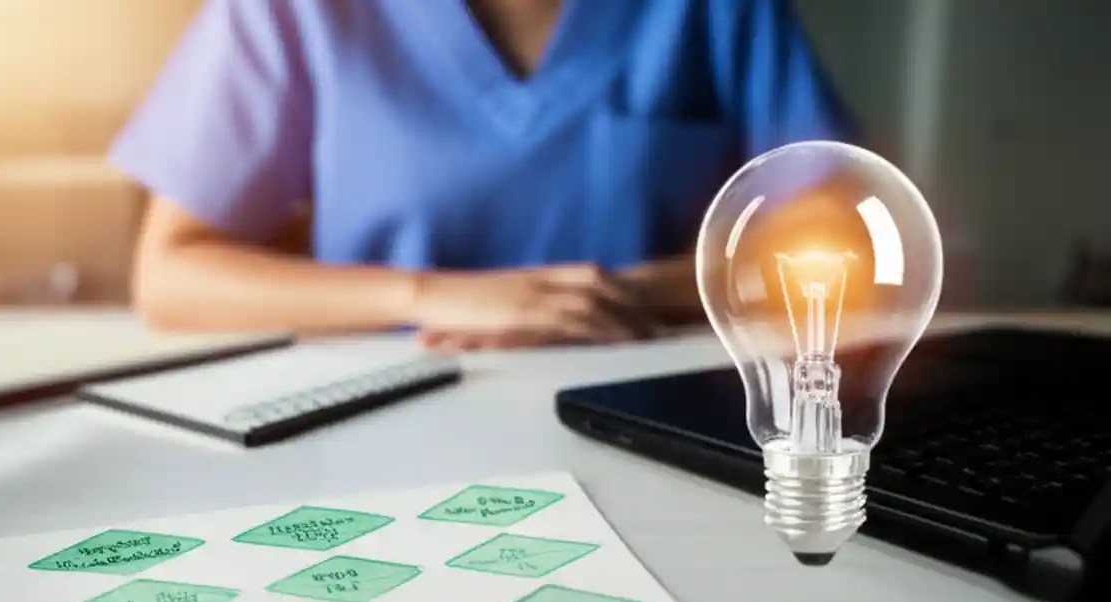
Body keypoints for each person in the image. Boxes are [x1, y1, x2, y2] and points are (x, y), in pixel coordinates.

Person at [112, 0, 852, 350]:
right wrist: (439, 297)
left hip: (652, 396)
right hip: (382, 411)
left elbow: (843, 247)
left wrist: (606, 299)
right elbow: (172, 276)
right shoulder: (290, 12)